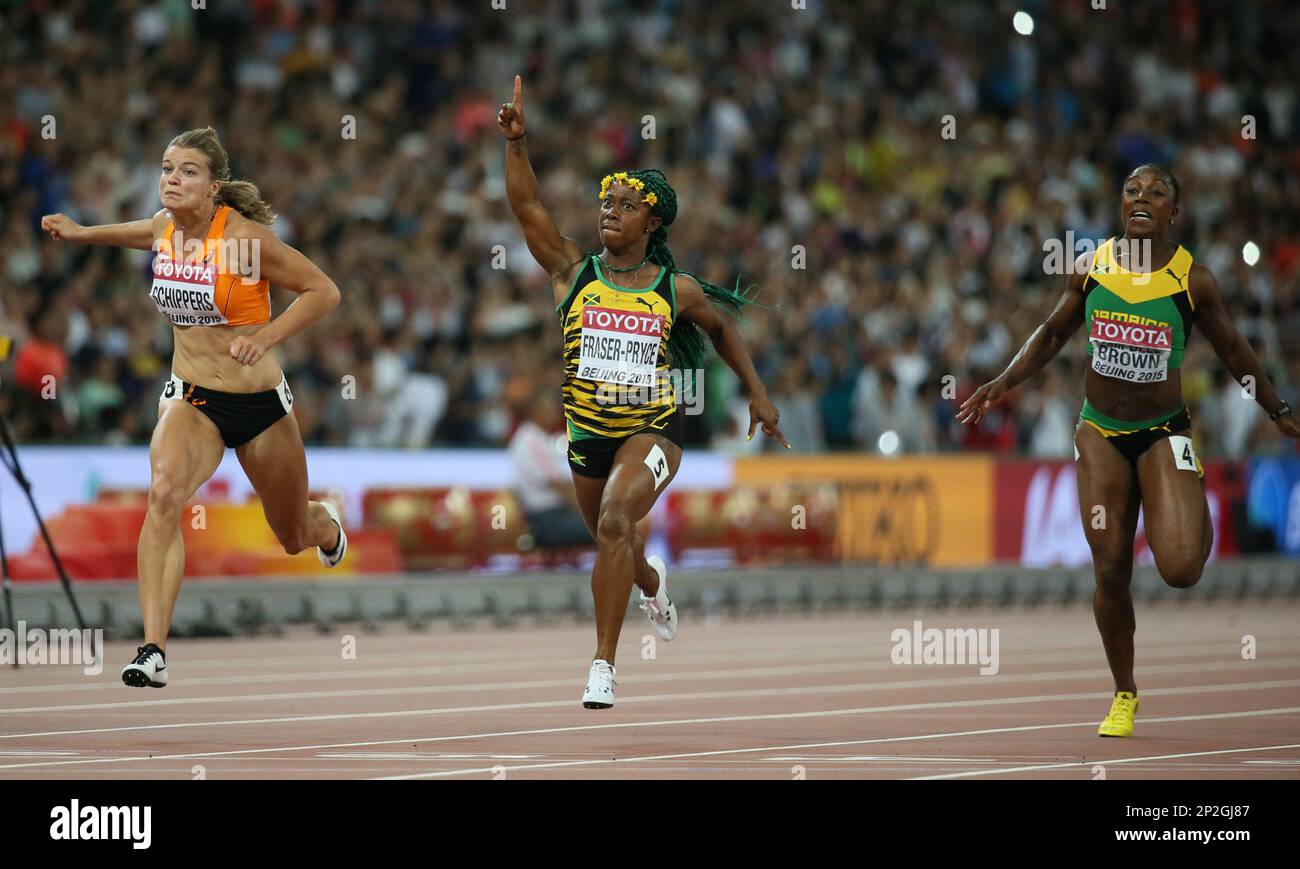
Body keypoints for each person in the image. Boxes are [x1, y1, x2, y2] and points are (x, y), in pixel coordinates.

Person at [958, 165, 1300, 736]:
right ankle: (1124, 692)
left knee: (1183, 568)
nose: (1142, 199)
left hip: (1165, 433)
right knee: (1111, 567)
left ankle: (1186, 502)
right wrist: (1003, 381)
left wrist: (1277, 408)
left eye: (1157, 193)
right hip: (1101, 435)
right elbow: (1049, 333)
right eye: (1132, 191)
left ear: (1174, 213)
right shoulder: (1091, 267)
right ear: (1121, 206)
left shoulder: (1195, 281)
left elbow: (1235, 349)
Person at [498, 75, 787, 708]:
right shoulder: (572, 273)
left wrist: (758, 395)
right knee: (619, 541)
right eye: (606, 203)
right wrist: (517, 146)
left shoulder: (673, 289)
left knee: (613, 520)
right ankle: (651, 583)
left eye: (625, 206)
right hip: (587, 439)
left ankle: (602, 665)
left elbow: (722, 329)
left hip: (653, 430)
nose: (609, 211)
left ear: (652, 222)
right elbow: (526, 209)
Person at [41, 127, 346, 688]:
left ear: (214, 187)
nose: (171, 179)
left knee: (292, 534)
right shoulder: (163, 227)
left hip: (259, 406)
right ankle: (153, 649)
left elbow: (323, 291)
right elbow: (141, 233)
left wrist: (268, 337)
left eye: (187, 171)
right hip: (193, 397)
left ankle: (324, 528)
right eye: (166, 168)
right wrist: (83, 233)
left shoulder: (245, 242)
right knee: (163, 494)